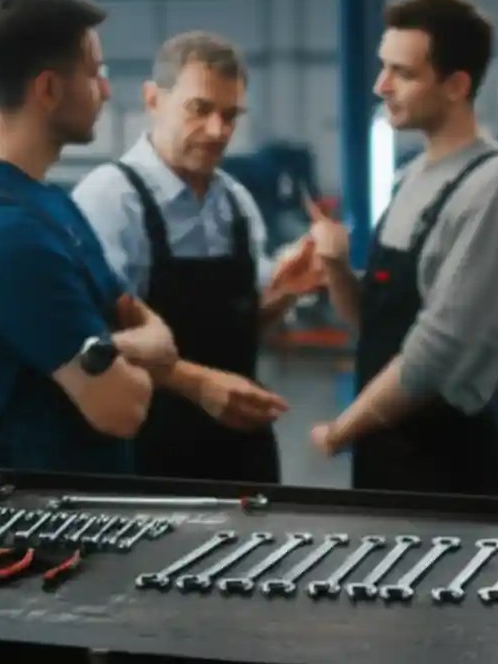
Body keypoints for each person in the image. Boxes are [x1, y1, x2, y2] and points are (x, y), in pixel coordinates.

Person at [306, 0, 498, 496]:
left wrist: (341, 431)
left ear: (457, 85)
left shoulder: (497, 186)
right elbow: (374, 325)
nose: (380, 86)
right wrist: (336, 268)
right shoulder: (409, 177)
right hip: (383, 439)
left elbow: (438, 348)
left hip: (443, 457)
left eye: (403, 74)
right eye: (382, 68)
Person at [0, 0, 177, 474]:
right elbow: (123, 408)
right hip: (36, 531)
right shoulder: (5, 236)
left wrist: (108, 347)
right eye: (94, 73)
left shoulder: (48, 205)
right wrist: (126, 346)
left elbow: (157, 337)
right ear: (47, 89)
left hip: (87, 515)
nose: (106, 89)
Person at [72, 31, 321, 484]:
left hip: (242, 453)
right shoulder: (110, 201)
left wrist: (283, 294)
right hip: (147, 457)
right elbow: (94, 347)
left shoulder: (237, 204)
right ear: (153, 99)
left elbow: (235, 330)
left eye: (230, 116)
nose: (218, 131)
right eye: (200, 109)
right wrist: (199, 384)